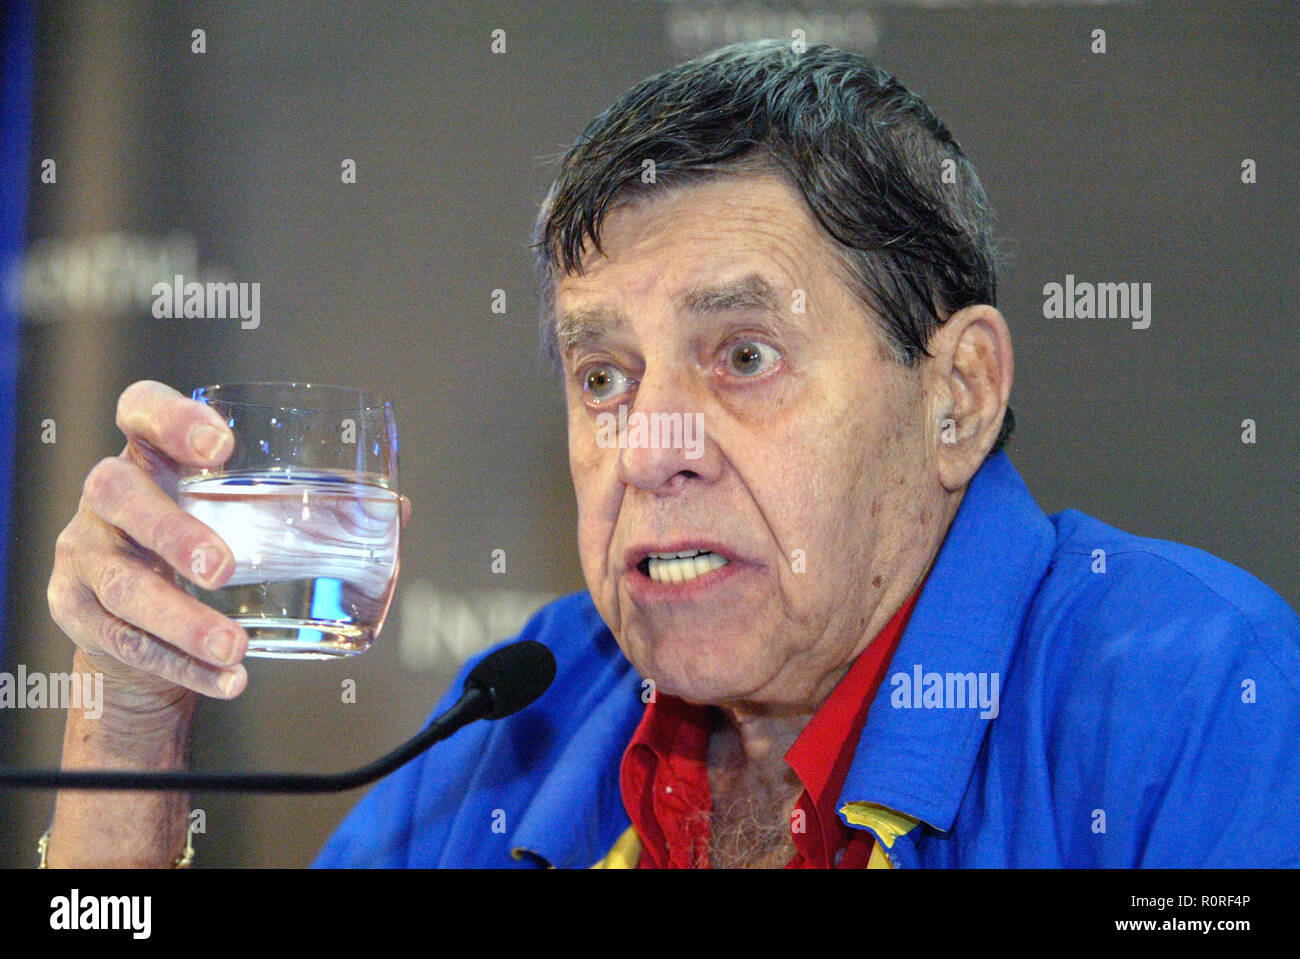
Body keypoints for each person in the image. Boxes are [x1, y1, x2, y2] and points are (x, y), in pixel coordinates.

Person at [43, 40, 1300, 868]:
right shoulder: (528, 712)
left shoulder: (1196, 695)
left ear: (955, 396)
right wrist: (127, 724)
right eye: (603, 376)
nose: (649, 446)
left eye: (742, 356)